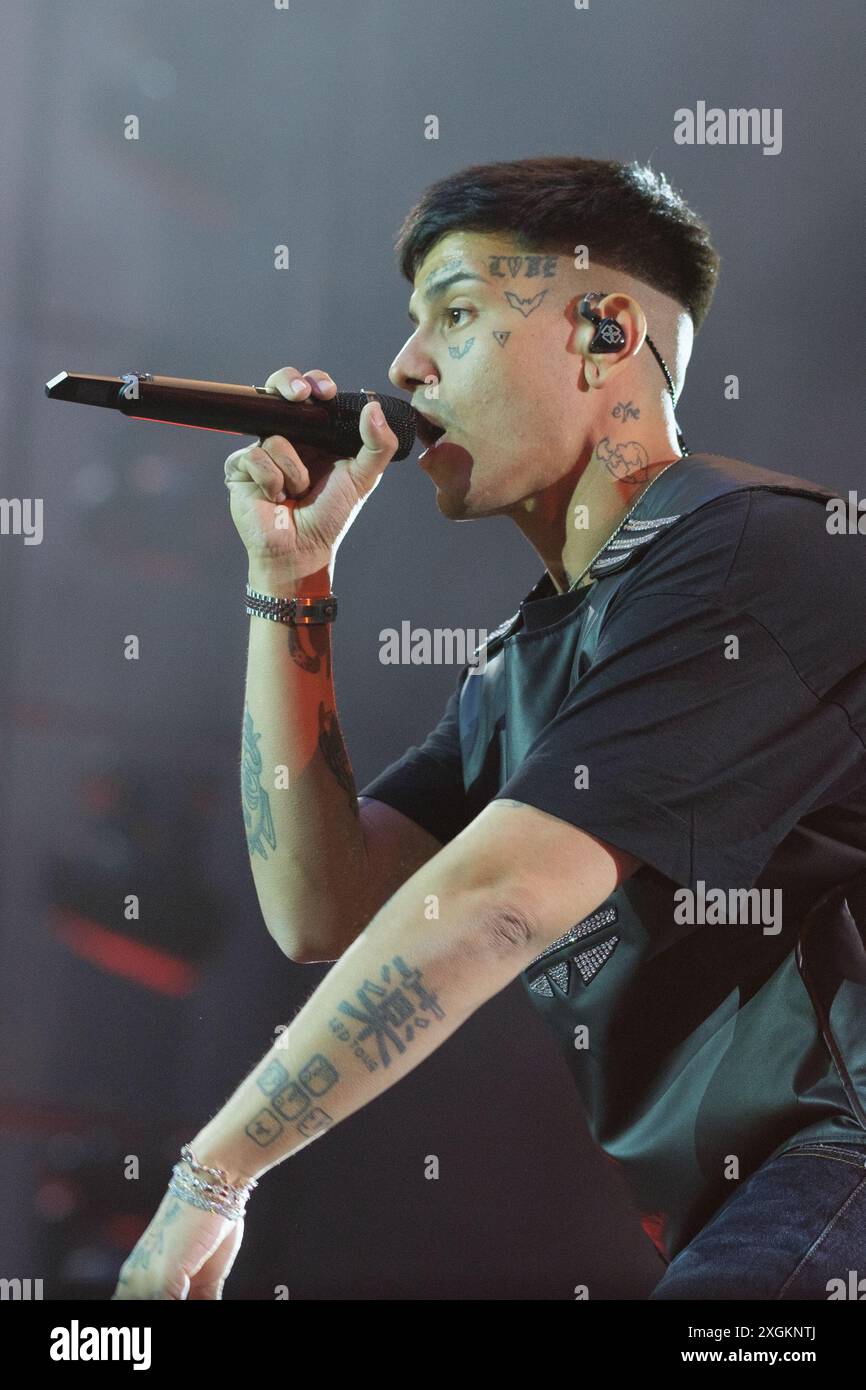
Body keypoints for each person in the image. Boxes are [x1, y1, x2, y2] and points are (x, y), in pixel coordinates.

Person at [112, 156, 866, 1301]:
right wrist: (292, 576)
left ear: (604, 332)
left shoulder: (743, 557)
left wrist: (211, 1176)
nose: (407, 366)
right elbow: (319, 904)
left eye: (455, 315)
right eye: (412, 325)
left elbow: (493, 899)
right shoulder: (529, 662)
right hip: (764, 1197)